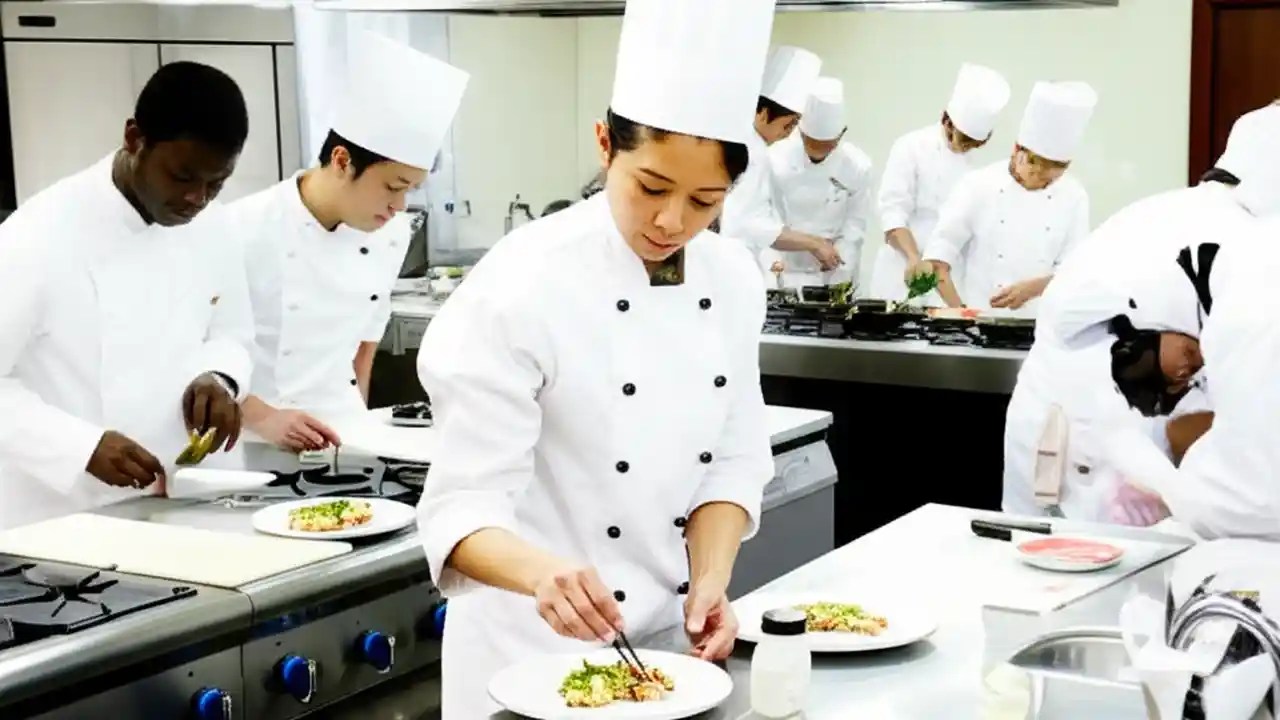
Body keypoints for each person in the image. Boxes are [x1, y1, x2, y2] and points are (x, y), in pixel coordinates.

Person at [414, 0, 776, 714]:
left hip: (665, 655)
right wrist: (544, 575)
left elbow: (733, 459)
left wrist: (710, 579)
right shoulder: (520, 285)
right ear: (604, 143)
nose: (673, 222)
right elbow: (461, 507)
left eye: (706, 200)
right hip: (525, 655)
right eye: (651, 187)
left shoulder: (733, 278)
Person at [0, 62, 253, 530]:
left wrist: (219, 378)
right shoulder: (36, 236)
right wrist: (78, 445)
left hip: (181, 498)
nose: (198, 198)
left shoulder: (214, 224)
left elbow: (234, 331)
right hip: (63, 514)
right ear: (135, 139)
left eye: (217, 183)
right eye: (183, 177)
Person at [1001, 118, 1280, 525]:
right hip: (1120, 465)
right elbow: (1239, 428)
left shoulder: (1154, 209)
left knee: (1029, 567)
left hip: (1039, 426)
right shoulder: (1251, 246)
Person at [219, 32, 468, 458]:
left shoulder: (391, 234)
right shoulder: (241, 228)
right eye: (393, 186)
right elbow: (199, 354)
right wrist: (264, 418)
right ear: (341, 161)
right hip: (248, 443)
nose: (399, 206)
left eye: (411, 190)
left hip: (345, 437)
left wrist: (362, 437)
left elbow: (364, 347)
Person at [919, 80, 1097, 317]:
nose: (1039, 180)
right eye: (1033, 168)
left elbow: (1074, 270)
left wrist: (1035, 288)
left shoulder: (1074, 196)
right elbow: (939, 257)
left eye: (1051, 177)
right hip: (979, 323)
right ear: (1016, 150)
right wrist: (961, 313)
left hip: (1039, 327)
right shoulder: (977, 186)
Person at [867, 63, 1011, 303]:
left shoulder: (974, 170)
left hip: (947, 277)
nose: (966, 148)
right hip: (901, 269)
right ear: (946, 121)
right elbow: (892, 211)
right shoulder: (910, 147)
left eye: (974, 144)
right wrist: (913, 257)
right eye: (963, 141)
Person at [720, 45, 836, 272]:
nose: (789, 133)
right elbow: (746, 222)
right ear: (762, 114)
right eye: (788, 124)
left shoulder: (750, 144)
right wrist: (813, 243)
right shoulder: (751, 151)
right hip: (731, 261)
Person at [762, 77, 873, 289]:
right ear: (800, 132)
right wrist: (772, 263)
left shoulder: (857, 166)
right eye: (811, 144)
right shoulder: (775, 159)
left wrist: (840, 264)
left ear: (841, 135)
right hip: (783, 267)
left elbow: (854, 226)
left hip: (831, 272)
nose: (818, 152)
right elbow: (766, 220)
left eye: (827, 146)